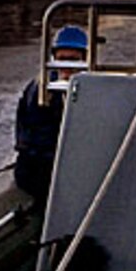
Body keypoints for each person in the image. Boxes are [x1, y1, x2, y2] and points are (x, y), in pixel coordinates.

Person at [14, 25, 88, 205]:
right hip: (39, 169)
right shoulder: (43, 92)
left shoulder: (82, 87)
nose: (67, 67)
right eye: (62, 59)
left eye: (72, 60)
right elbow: (44, 141)